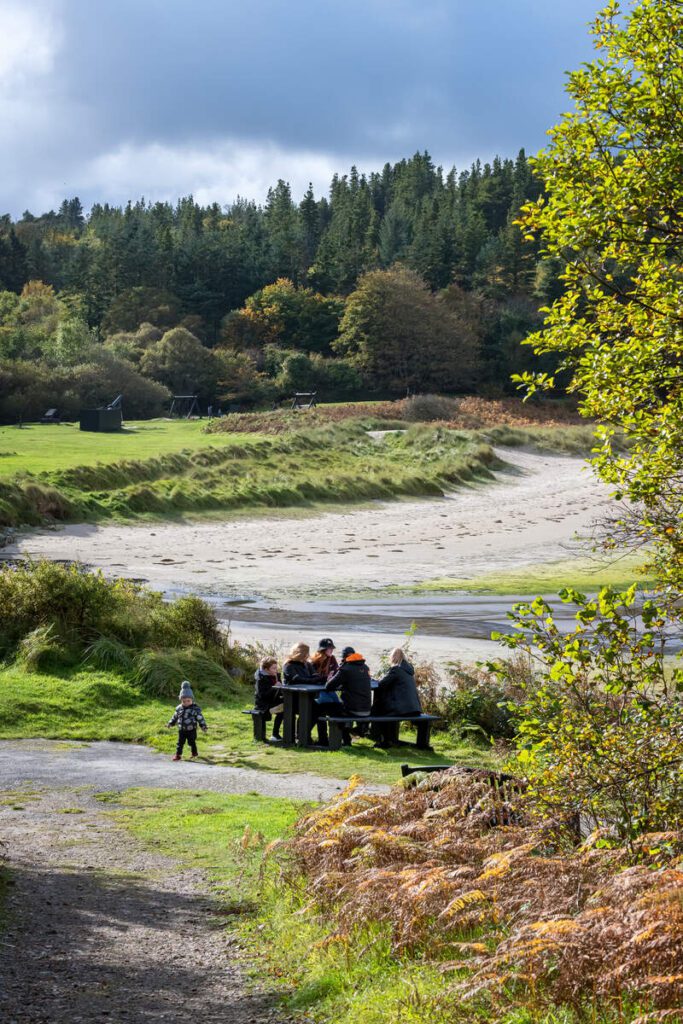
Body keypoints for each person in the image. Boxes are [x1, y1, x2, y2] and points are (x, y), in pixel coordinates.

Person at [372, 647, 422, 747]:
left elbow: (382, 684)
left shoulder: (396, 670)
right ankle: (389, 738)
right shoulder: (408, 671)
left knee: (375, 710)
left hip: (403, 709)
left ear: (393, 657)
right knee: (382, 710)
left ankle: (383, 740)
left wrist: (375, 680)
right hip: (414, 708)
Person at [325, 646, 372, 745]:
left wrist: (330, 677)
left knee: (333, 710)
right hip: (367, 709)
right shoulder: (365, 667)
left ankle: (344, 740)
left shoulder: (346, 669)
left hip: (353, 710)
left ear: (344, 658)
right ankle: (358, 731)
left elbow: (329, 686)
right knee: (345, 706)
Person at [283, 643, 327, 745]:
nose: (308, 656)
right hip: (293, 698)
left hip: (308, 697)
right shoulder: (288, 665)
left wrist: (322, 679)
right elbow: (296, 680)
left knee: (321, 711)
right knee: (310, 711)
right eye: (306, 653)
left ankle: (323, 739)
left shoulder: (307, 664)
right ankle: (302, 736)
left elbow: (313, 676)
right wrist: (315, 680)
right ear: (300, 654)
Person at [167, 681, 208, 761]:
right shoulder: (179, 708)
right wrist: (171, 723)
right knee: (180, 743)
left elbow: (200, 718)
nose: (186, 703)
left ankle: (194, 752)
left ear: (192, 700)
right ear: (181, 700)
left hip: (191, 730)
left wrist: (203, 726)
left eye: (188, 701)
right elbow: (175, 716)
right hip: (181, 729)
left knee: (191, 742)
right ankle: (178, 755)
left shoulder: (195, 709)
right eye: (184, 701)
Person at [253, 656, 284, 742]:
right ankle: (274, 734)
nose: (276, 670)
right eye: (273, 668)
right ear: (266, 669)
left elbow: (278, 692)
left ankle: (276, 734)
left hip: (273, 701)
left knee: (287, 707)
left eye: (276, 668)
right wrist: (274, 688)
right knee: (284, 709)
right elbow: (263, 695)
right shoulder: (261, 679)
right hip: (263, 705)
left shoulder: (275, 675)